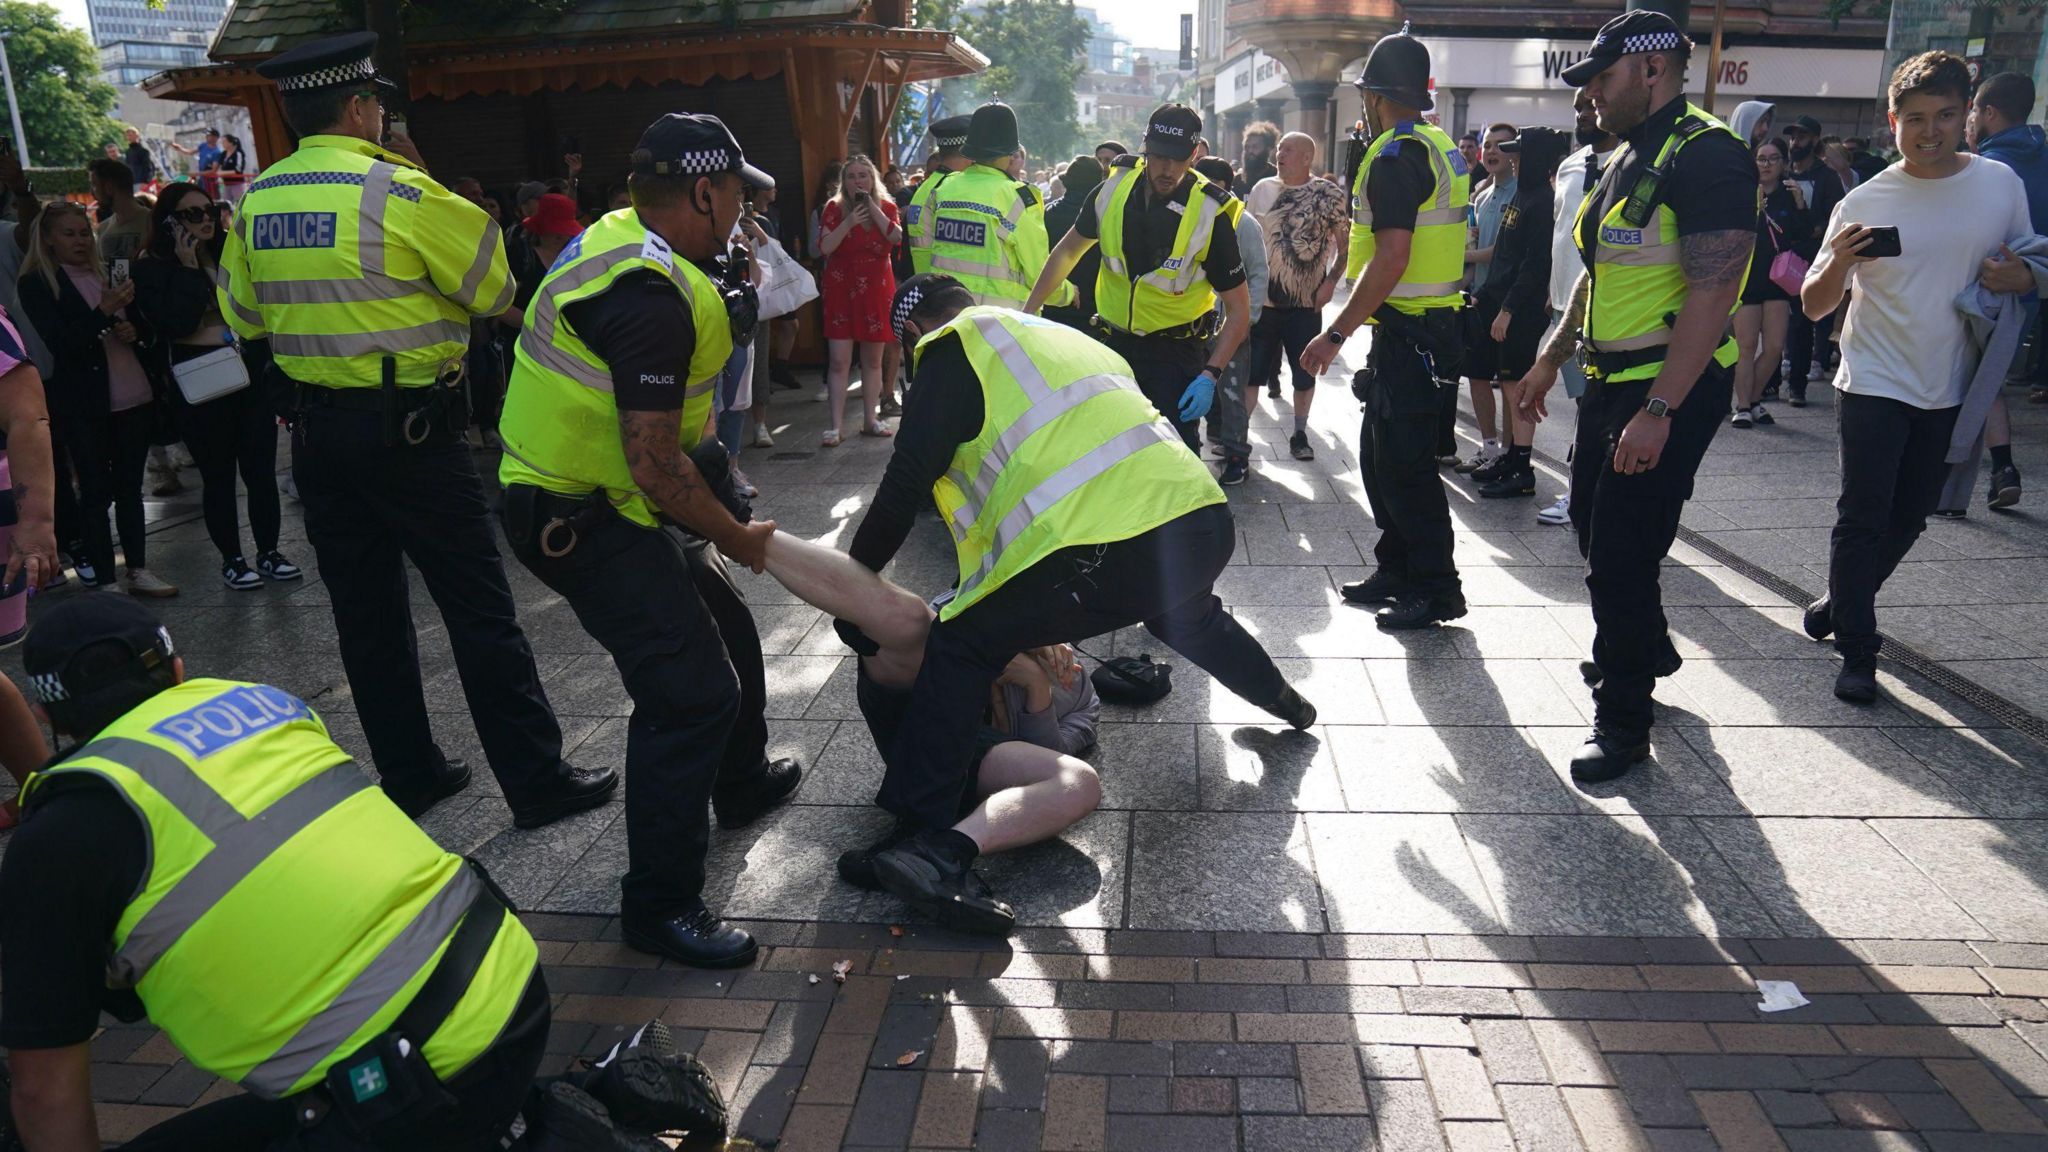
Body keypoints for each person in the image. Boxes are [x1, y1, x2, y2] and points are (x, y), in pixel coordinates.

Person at [218, 32, 615, 828]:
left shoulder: (257, 202)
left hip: (319, 437)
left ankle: (411, 774)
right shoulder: (397, 190)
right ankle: (534, 781)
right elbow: (493, 284)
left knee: (366, 618)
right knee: (478, 608)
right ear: (362, 108)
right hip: (414, 438)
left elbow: (242, 315)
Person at [838, 274, 1313, 934]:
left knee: (962, 642)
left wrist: (854, 593)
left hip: (1104, 544)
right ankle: (1286, 701)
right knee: (1187, 615)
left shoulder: (952, 350)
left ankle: (923, 843)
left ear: (916, 332)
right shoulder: (1055, 337)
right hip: (1199, 521)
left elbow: (902, 487)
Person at [0, 596, 553, 1150]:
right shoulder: (266, 704)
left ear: (47, 714)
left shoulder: (59, 833)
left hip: (417, 1087)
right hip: (511, 985)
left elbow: (44, 1093)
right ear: (176, 668)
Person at [496, 112, 802, 968]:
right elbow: (657, 469)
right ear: (703, 190)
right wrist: (737, 532)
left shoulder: (631, 240)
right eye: (738, 194)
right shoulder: (649, 298)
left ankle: (738, 783)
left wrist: (721, 487)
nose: (744, 212)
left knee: (731, 629)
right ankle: (660, 906)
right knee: (690, 691)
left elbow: (670, 446)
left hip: (606, 495)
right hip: (573, 517)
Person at [1513, 9, 1755, 782]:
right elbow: (1600, 272)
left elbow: (1714, 293)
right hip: (1611, 381)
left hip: (1667, 385)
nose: (1591, 97)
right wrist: (1550, 359)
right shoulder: (1624, 157)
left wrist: (1660, 410)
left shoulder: (1708, 155)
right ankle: (1643, 646)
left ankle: (1623, 718)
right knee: (1591, 525)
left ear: (1651, 70)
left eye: (1602, 79)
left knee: (1618, 555)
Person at [1800, 51, 2038, 703]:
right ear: (1891, 120)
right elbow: (1815, 305)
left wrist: (2022, 277)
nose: (1928, 131)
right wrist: (1837, 267)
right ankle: (1858, 649)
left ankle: (1838, 604)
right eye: (1914, 118)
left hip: (1951, 385)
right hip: (1872, 378)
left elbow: (2027, 261)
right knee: (1863, 515)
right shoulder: (1864, 199)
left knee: (1911, 516)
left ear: (1967, 117)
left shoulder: (1999, 185)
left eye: (1944, 116)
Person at [750, 532, 1102, 896]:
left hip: (980, 756)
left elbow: (1046, 761)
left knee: (1080, 783)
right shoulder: (977, 604)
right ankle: (748, 535)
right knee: (915, 619)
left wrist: (1036, 687)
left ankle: (937, 853)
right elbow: (935, 620)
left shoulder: (1079, 694)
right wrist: (992, 645)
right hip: (912, 715)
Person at [1299, 31, 1471, 630]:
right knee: (1380, 458)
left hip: (1416, 333)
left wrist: (1335, 334)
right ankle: (1396, 567)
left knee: (1406, 467)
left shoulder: (1399, 156)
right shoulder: (1435, 142)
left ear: (1373, 96)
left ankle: (1435, 587)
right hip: (1414, 331)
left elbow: (1391, 257)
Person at [1025, 103, 1251, 454]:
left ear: (1194, 153)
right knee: (1107, 454)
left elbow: (1239, 311)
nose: (1167, 168)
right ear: (1144, 148)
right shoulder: (1112, 190)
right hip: (1114, 347)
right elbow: (1067, 252)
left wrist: (1210, 374)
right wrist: (1029, 313)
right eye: (1159, 156)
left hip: (1174, 357)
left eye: (1178, 158)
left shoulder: (1210, 211)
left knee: (1172, 464)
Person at [131, 182, 300, 590]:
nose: (205, 220)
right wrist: (188, 269)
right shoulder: (151, 267)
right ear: (169, 220)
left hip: (248, 371)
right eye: (191, 214)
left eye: (208, 211)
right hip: (201, 377)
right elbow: (176, 323)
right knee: (219, 475)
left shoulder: (229, 252)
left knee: (260, 471)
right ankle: (233, 559)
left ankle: (269, 552)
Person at [18, 202, 177, 597]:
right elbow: (61, 342)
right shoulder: (39, 282)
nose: (79, 240)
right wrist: (102, 312)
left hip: (133, 393)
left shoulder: (109, 272)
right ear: (49, 239)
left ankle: (138, 568)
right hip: (85, 402)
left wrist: (132, 330)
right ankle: (106, 578)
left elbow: (144, 326)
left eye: (83, 232)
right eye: (68, 233)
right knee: (93, 492)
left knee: (129, 490)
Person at [1959, 70, 2048, 511]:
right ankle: (2000, 469)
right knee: (1988, 377)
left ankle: (1977, 475)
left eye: (1973, 108)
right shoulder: (2044, 158)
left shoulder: (1985, 170)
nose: (1970, 119)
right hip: (2029, 295)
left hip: (1979, 286)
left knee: (1972, 380)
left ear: (1989, 112)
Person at [1535, 87, 1623, 528]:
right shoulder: (1569, 166)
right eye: (1577, 107)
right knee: (1582, 405)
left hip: (1607, 310)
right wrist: (1551, 293)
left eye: (1591, 104)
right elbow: (1559, 235)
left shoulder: (1629, 162)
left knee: (1596, 406)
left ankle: (1583, 494)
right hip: (1564, 308)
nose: (1584, 114)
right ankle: (1585, 492)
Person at [1238, 131, 1347, 478]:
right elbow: (1248, 239)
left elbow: (1346, 247)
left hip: (1305, 303)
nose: (1279, 154)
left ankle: (1300, 433)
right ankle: (1239, 439)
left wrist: (1330, 282)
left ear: (1306, 157)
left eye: (1288, 150)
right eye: (1279, 149)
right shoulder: (1261, 189)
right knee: (1251, 373)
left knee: (1305, 371)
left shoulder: (1328, 194)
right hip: (1263, 302)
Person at [1474, 125, 1569, 499]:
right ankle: (1513, 458)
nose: (1512, 157)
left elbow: (1534, 265)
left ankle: (1522, 466)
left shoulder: (1543, 201)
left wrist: (1508, 310)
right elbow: (1504, 254)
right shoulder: (1522, 195)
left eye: (1518, 152)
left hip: (1522, 311)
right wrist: (1484, 294)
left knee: (1517, 384)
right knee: (1508, 381)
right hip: (1499, 302)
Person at [917, 103, 1065, 313]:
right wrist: (1066, 293)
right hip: (1002, 324)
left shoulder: (944, 189)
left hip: (949, 316)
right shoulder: (1019, 198)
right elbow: (1038, 271)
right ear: (1011, 152)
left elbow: (926, 250)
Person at [1192, 156, 1267, 483]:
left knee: (1232, 393)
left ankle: (1237, 455)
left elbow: (1258, 273)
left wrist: (1247, 319)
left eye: (1214, 188)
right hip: (1190, 325)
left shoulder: (1243, 223)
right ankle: (1197, 446)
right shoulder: (1186, 217)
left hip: (1231, 326)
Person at [818, 154, 900, 446]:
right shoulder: (833, 209)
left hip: (876, 288)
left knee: (873, 360)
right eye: (851, 176)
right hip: (841, 287)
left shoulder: (887, 207)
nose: (857, 181)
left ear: (872, 179)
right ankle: (835, 427)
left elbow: (896, 237)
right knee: (839, 359)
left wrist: (873, 209)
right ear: (844, 182)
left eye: (863, 175)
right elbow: (825, 247)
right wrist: (850, 220)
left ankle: (870, 419)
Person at [1457, 123, 1518, 477]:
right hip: (1478, 301)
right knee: (1477, 376)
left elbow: (1502, 254)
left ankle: (1512, 452)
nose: (1492, 151)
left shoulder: (1522, 196)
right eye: (1488, 145)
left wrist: (1466, 256)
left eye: (1501, 145)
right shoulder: (1480, 196)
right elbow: (1477, 249)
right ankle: (1489, 447)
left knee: (1510, 380)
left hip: (1507, 304)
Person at [1733, 140, 1806, 424]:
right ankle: (1743, 406)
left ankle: (1753, 399)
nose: (1766, 164)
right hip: (1747, 279)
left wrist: (1800, 205)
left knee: (1775, 347)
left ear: (1783, 164)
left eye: (1773, 159)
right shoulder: (1742, 193)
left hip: (1778, 280)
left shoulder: (1789, 195)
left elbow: (1803, 235)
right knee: (1746, 346)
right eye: (1761, 159)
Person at [1784, 113, 1845, 387]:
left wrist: (1814, 230)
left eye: (1802, 136)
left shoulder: (1827, 177)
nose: (1795, 142)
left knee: (1818, 310)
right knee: (1788, 311)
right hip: (1785, 255)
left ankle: (1818, 359)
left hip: (1816, 254)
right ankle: (1789, 356)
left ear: (1815, 140)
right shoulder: (1783, 172)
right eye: (1793, 136)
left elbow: (1834, 216)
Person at [1040, 153, 1105, 334]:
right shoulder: (1103, 218)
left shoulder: (1047, 213)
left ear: (1067, 182)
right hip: (1091, 309)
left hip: (1051, 303)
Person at [904, 114, 973, 276]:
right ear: (968, 150)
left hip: (927, 285)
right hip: (947, 287)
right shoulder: (953, 189)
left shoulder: (925, 188)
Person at [88, 158, 150, 265]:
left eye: (94, 185)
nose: (92, 192)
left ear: (109, 188)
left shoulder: (153, 222)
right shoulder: (103, 228)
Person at [1237, 120, 1279, 195]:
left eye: (1255, 147)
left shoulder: (1277, 178)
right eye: (1247, 147)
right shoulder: (1237, 181)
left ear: (1268, 149)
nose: (1250, 151)